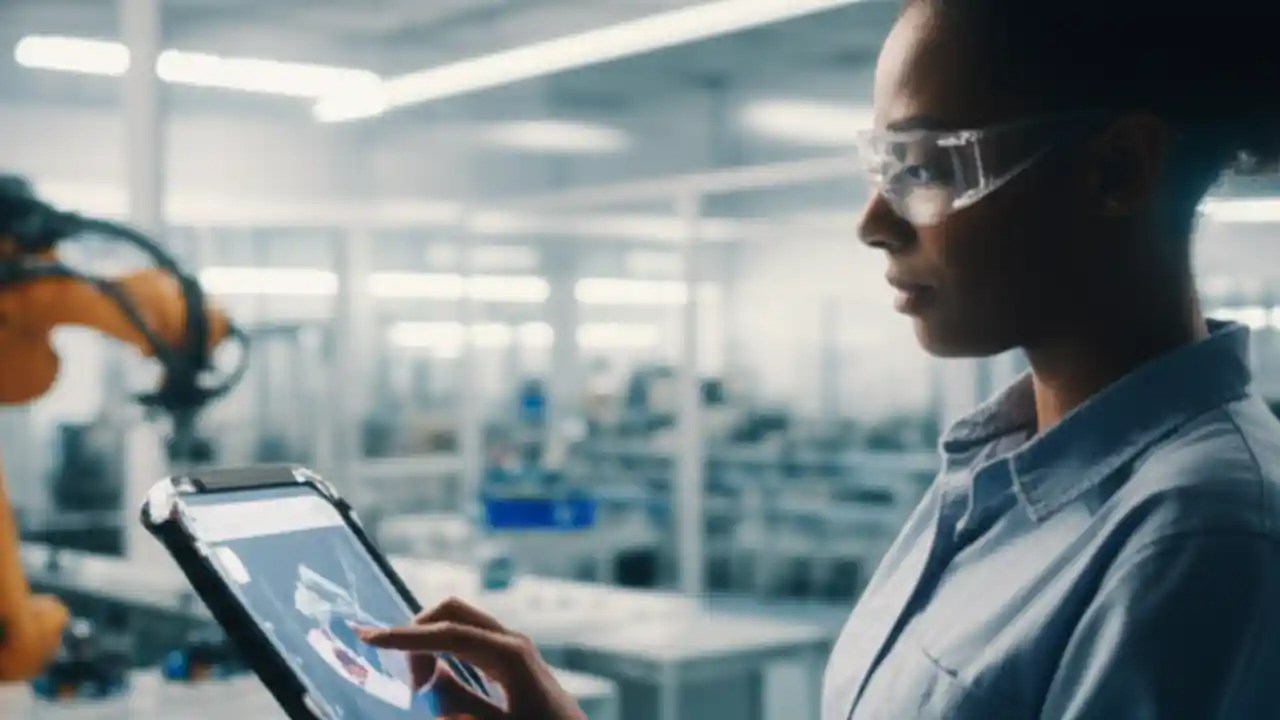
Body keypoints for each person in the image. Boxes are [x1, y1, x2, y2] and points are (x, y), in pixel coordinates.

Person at [357, 1, 1280, 717]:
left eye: (926, 167)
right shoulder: (999, 471)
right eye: (883, 167)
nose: (873, 222)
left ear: (1115, 170)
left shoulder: (1200, 542)